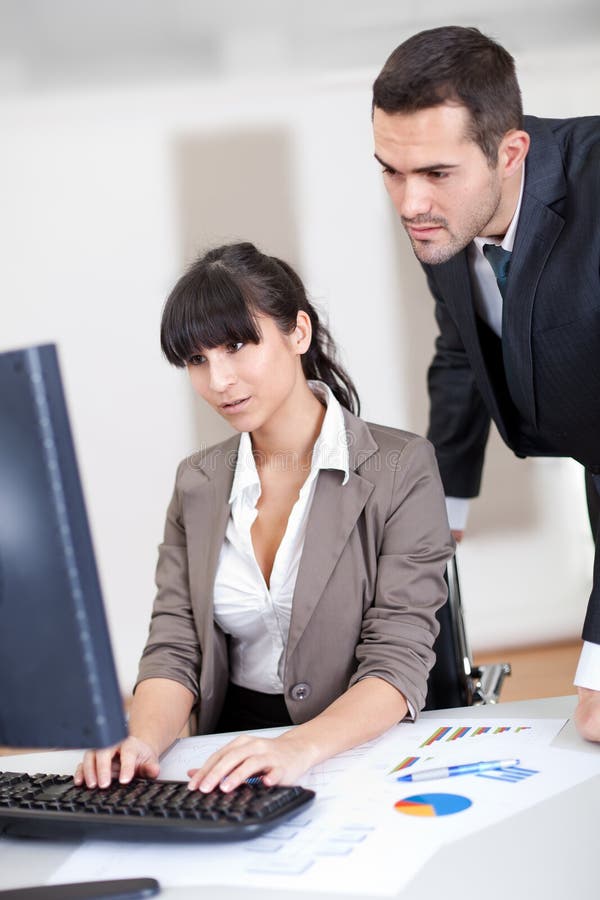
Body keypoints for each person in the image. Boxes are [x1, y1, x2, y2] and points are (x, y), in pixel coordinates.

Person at [75, 241, 453, 792]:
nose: (218, 380)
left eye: (235, 346)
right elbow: (175, 646)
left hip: (354, 745)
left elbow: (397, 657)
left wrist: (297, 748)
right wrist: (143, 740)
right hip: (226, 754)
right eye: (197, 360)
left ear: (298, 332)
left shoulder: (401, 467)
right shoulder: (197, 481)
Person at [371, 25, 600, 740]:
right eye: (390, 171)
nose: (409, 203)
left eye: (436, 173)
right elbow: (463, 349)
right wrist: (438, 507)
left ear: (510, 152)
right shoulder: (444, 215)